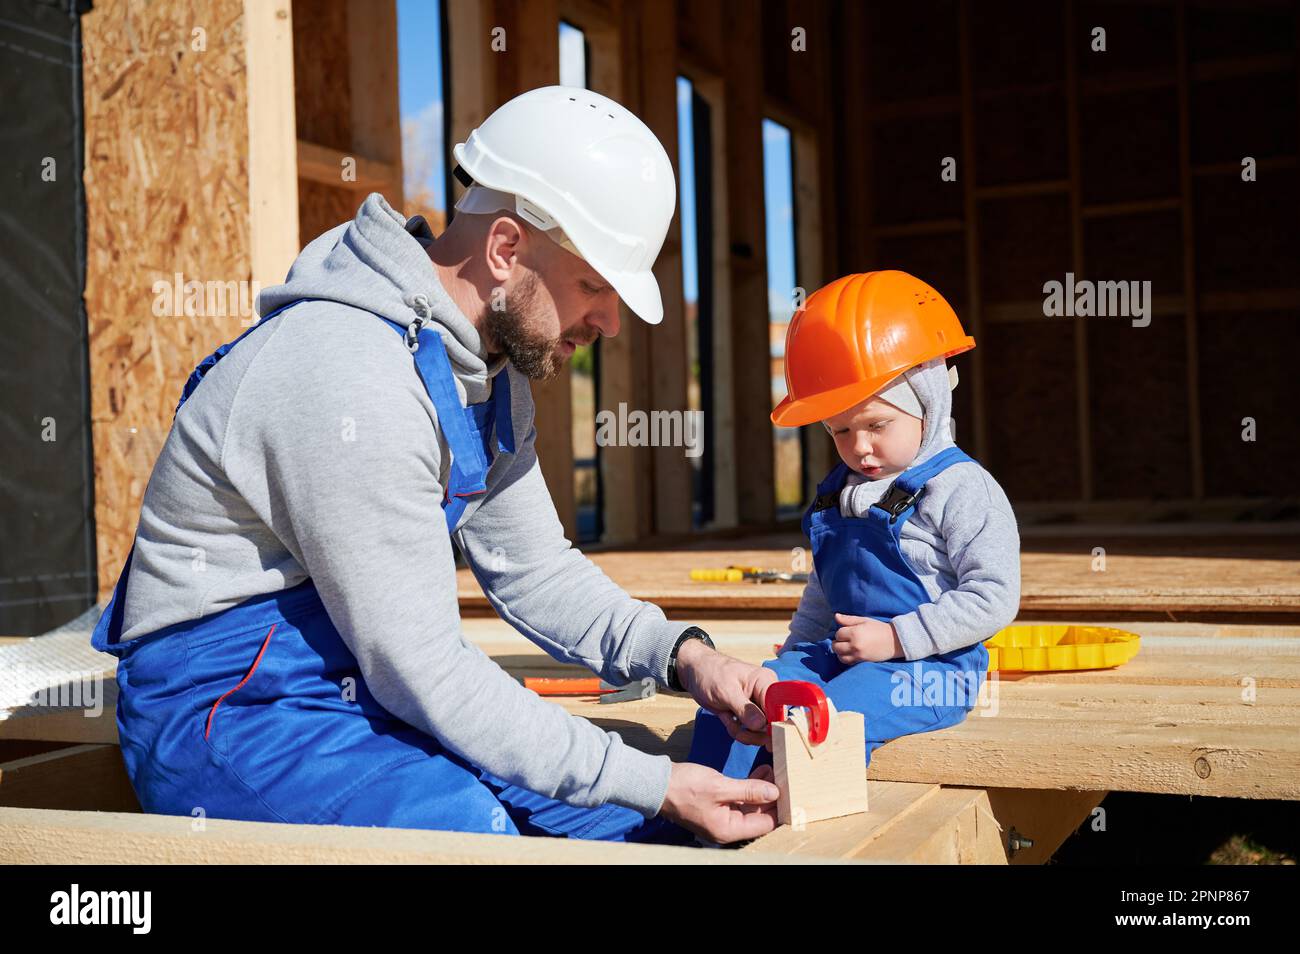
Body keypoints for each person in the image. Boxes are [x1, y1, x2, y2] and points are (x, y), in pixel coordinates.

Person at [91, 85, 780, 845]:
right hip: (229, 714)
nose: (610, 322)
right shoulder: (350, 372)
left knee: (622, 817)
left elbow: (535, 570)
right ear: (506, 249)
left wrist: (683, 656)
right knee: (465, 833)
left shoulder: (489, 370)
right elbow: (421, 670)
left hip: (360, 683)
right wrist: (655, 783)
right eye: (594, 286)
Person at [688, 270, 1021, 778]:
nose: (859, 446)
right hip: (844, 657)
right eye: (841, 431)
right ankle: (700, 807)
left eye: (877, 425)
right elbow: (825, 587)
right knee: (741, 703)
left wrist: (896, 640)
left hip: (930, 670)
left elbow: (993, 597)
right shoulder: (840, 491)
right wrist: (799, 652)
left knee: (825, 720)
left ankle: (785, 817)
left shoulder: (963, 489)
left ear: (928, 406)